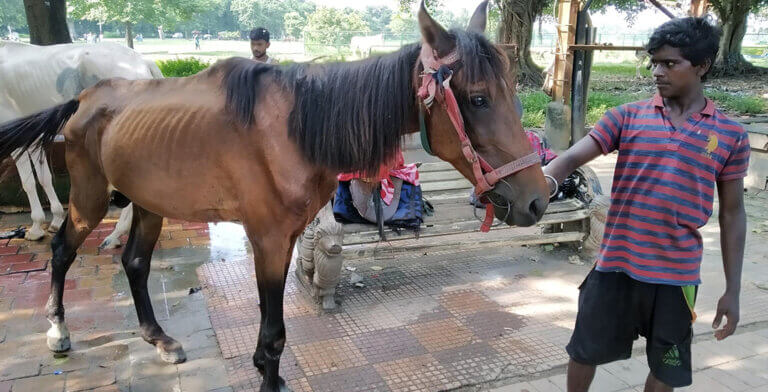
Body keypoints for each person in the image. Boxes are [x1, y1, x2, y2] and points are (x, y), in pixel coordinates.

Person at [544, 17, 749, 391]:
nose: (657, 71)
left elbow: (734, 213)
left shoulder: (731, 134)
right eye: (654, 62)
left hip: (676, 277)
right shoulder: (627, 116)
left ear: (701, 65)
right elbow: (571, 158)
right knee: (583, 352)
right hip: (615, 267)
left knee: (666, 370)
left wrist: (732, 289)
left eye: (670, 64)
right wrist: (543, 181)